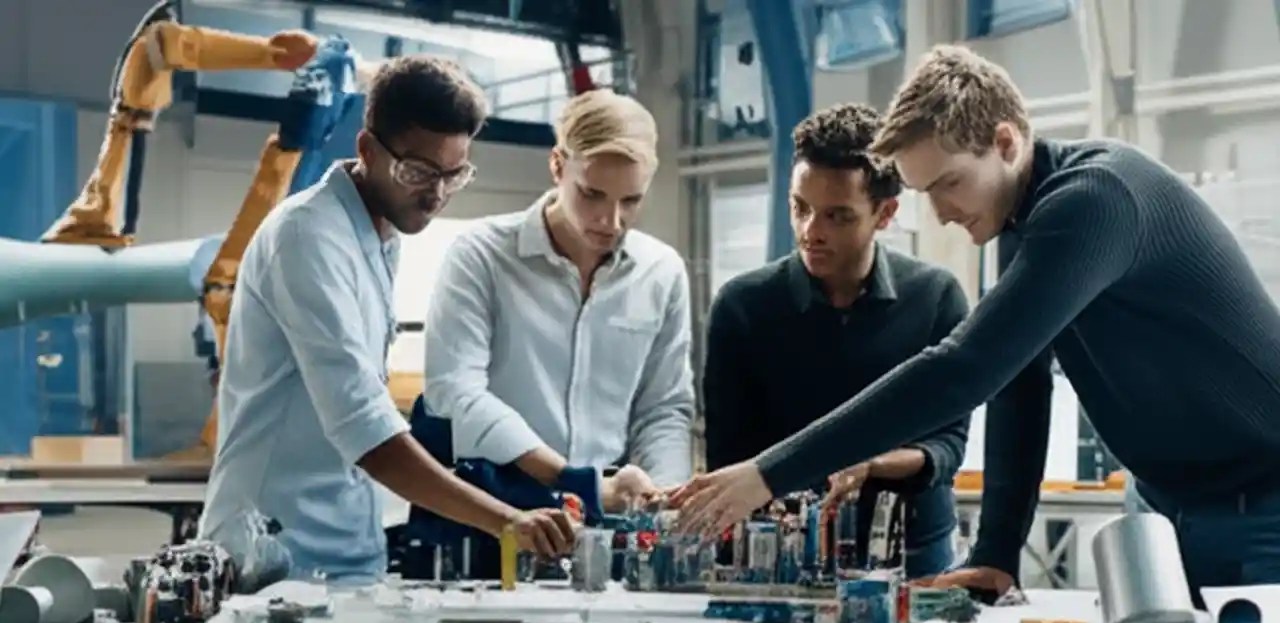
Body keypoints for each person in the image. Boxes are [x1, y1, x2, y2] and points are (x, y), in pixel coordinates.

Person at [671, 44, 1280, 599]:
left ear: (1006, 143)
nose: (941, 213)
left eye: (949, 184)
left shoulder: (1095, 198)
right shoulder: (1024, 225)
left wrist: (768, 474)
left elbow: (965, 369)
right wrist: (996, 554)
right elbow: (1019, 387)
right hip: (1164, 503)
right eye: (925, 193)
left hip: (1260, 504)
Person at [199, 55, 576, 584]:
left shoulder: (379, 237)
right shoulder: (307, 236)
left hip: (346, 550)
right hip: (274, 553)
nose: (436, 194)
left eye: (453, 175)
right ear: (367, 150)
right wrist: (507, 521)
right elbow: (364, 426)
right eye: (418, 172)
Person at [701, 103, 969, 579]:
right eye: (800, 208)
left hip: (914, 552)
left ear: (885, 213)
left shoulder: (935, 298)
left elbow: (948, 444)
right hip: (781, 553)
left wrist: (873, 464)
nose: (811, 232)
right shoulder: (741, 307)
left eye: (837, 216)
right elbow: (729, 457)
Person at [417, 88, 695, 516]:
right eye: (592, 194)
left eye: (631, 200)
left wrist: (663, 503)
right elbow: (454, 392)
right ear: (557, 166)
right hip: (495, 509)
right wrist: (576, 485)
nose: (611, 220)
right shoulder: (481, 255)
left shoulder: (662, 272)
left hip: (609, 516)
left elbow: (662, 408)